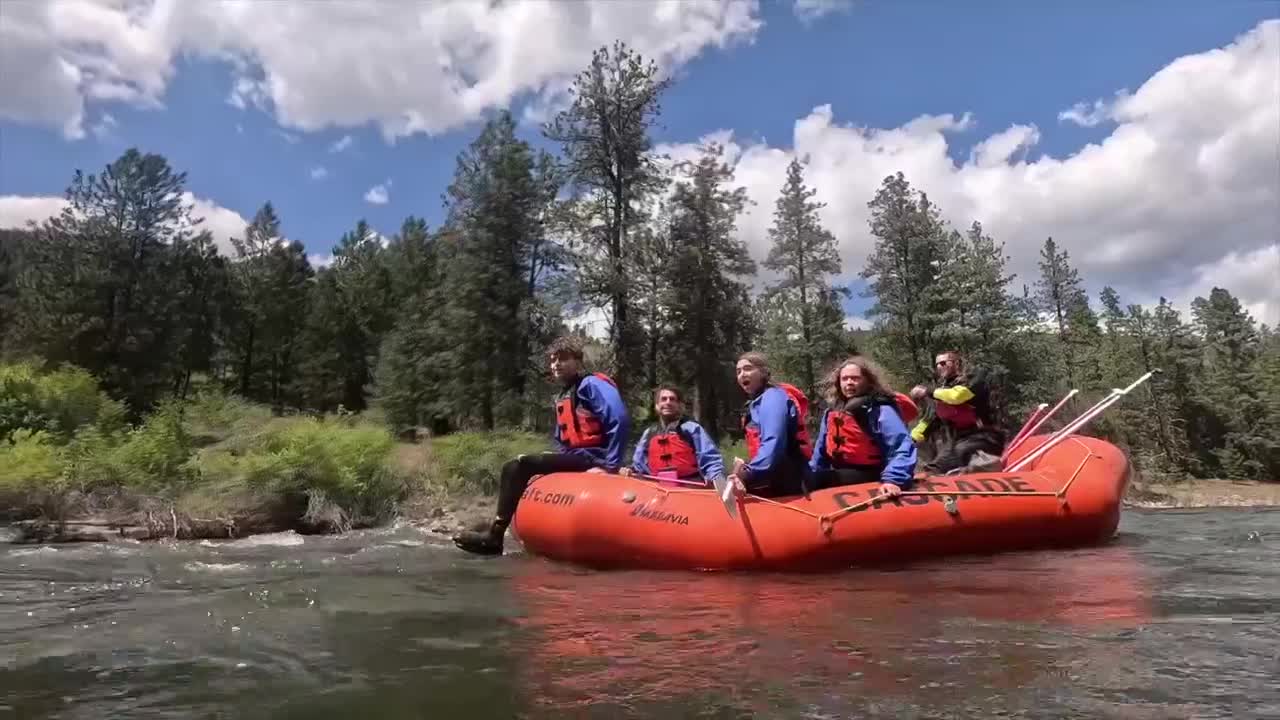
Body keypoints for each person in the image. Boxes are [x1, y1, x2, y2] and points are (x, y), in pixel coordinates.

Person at [453, 335, 631, 556]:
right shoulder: (565, 394)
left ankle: (495, 536)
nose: (556, 364)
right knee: (517, 464)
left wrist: (610, 466)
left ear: (578, 362)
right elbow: (562, 438)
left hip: (593, 458)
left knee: (518, 465)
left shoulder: (591, 384)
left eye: (563, 359)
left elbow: (619, 419)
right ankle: (499, 532)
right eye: (553, 360)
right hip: (577, 457)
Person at [808, 356, 919, 496]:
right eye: (845, 379)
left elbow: (902, 446)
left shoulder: (880, 410)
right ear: (838, 383)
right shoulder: (832, 411)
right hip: (841, 471)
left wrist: (893, 480)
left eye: (855, 378)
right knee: (804, 479)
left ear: (868, 381)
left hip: (872, 473)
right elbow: (820, 452)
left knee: (822, 479)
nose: (849, 383)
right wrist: (812, 474)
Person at [727, 352, 813, 498]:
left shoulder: (773, 398)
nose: (742, 374)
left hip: (790, 479)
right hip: (772, 475)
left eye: (748, 368)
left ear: (763, 372)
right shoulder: (757, 402)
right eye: (738, 371)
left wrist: (748, 473)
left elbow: (774, 442)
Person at [909, 350, 1005, 473]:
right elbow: (930, 420)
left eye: (944, 363)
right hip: (960, 440)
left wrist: (928, 391)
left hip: (986, 437)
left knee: (961, 451)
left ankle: (988, 470)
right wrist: (910, 439)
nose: (939, 366)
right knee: (936, 467)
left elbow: (957, 396)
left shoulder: (975, 378)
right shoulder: (940, 392)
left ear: (957, 363)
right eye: (937, 364)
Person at [621, 385, 726, 485]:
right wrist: (631, 469)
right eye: (663, 399)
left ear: (680, 405)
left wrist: (715, 478)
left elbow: (710, 459)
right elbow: (638, 464)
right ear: (657, 406)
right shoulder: (649, 433)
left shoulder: (692, 429)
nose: (668, 402)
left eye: (672, 399)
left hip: (691, 486)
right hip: (657, 487)